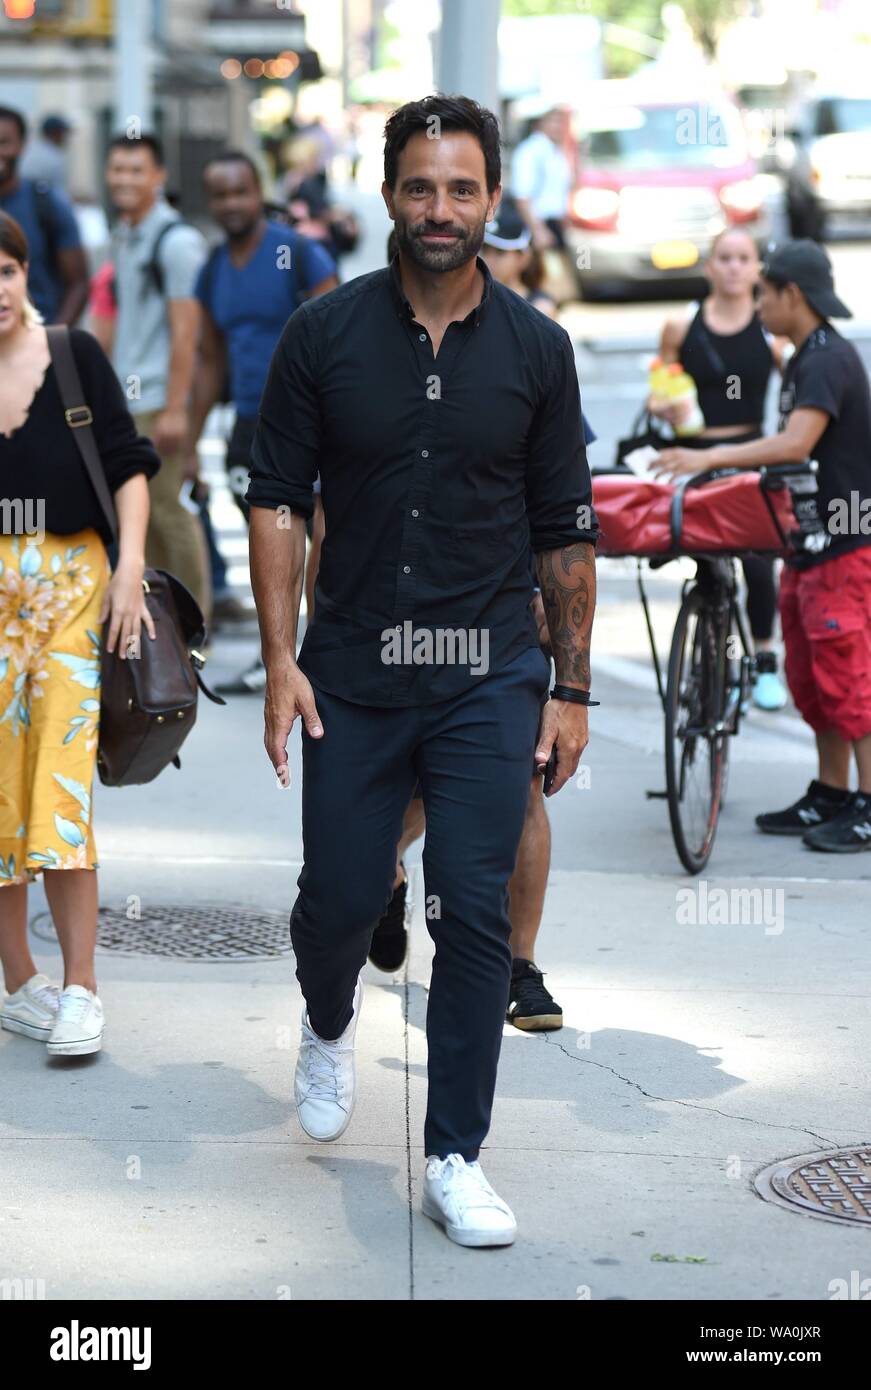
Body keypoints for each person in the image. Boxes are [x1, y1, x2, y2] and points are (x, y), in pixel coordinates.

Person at [247, 94, 597, 1248]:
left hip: (488, 669)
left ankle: (455, 1151)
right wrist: (282, 658)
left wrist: (571, 686)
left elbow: (563, 529)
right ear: (387, 192)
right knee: (341, 897)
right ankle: (328, 1013)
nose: (439, 209)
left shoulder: (538, 350)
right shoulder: (325, 334)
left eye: (460, 188)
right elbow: (277, 501)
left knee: (472, 906)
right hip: (350, 665)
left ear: (493, 199)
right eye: (418, 186)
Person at [370, 199, 598, 1035]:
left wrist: (566, 669)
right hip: (392, 622)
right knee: (410, 795)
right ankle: (384, 878)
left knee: (518, 790)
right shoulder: (366, 339)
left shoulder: (533, 349)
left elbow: (564, 510)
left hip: (502, 622)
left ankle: (518, 965)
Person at [0, 211, 160, 1055]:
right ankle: (20, 983)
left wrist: (130, 567)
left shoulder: (72, 355)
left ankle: (81, 990)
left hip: (72, 592)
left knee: (59, 790)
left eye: (5, 270)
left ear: (26, 274)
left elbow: (130, 465)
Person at [653, 240, 871, 854]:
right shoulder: (804, 356)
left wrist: (713, 455)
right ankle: (832, 792)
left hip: (845, 545)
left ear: (790, 296)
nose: (758, 303)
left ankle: (867, 805)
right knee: (813, 678)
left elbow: (796, 443)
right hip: (805, 544)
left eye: (765, 293)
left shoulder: (828, 359)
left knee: (849, 680)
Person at [188, 150, 337, 691]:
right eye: (220, 194)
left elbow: (340, 335)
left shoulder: (297, 253)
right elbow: (210, 359)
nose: (231, 203)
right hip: (250, 424)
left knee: (320, 532)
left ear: (258, 192)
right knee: (270, 540)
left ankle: (321, 654)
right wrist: (189, 437)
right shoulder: (213, 269)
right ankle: (276, 656)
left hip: (311, 421)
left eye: (239, 191)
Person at [650, 227, 790, 710]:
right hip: (690, 456)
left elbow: (797, 395)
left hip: (749, 452)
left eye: (742, 258)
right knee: (703, 557)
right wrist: (661, 403)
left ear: (756, 270)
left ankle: (765, 660)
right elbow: (658, 383)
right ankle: (715, 658)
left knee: (758, 559)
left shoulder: (772, 331)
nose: (733, 267)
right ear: (709, 267)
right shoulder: (681, 326)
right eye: (724, 258)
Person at [106, 132, 210, 617]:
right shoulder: (127, 233)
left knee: (168, 512)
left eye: (135, 170)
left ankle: (194, 624)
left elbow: (186, 333)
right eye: (118, 169)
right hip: (128, 401)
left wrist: (175, 409)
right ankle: (161, 627)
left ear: (158, 176)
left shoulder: (177, 241)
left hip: (156, 401)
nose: (124, 179)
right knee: (139, 518)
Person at [0, 106, 88, 325]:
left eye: (4, 142)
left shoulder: (49, 204)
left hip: (37, 341)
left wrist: (53, 340)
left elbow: (78, 283)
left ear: (22, 145)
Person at [510, 105, 572, 252]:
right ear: (540, 123)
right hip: (538, 225)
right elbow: (522, 195)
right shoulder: (530, 151)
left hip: (555, 225)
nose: (558, 126)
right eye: (553, 121)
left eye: (561, 122)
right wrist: (538, 231)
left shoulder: (556, 151)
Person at [20, 114, 72, 193]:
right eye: (63, 133)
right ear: (55, 133)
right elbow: (58, 194)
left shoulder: (30, 148)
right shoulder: (53, 156)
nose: (65, 137)